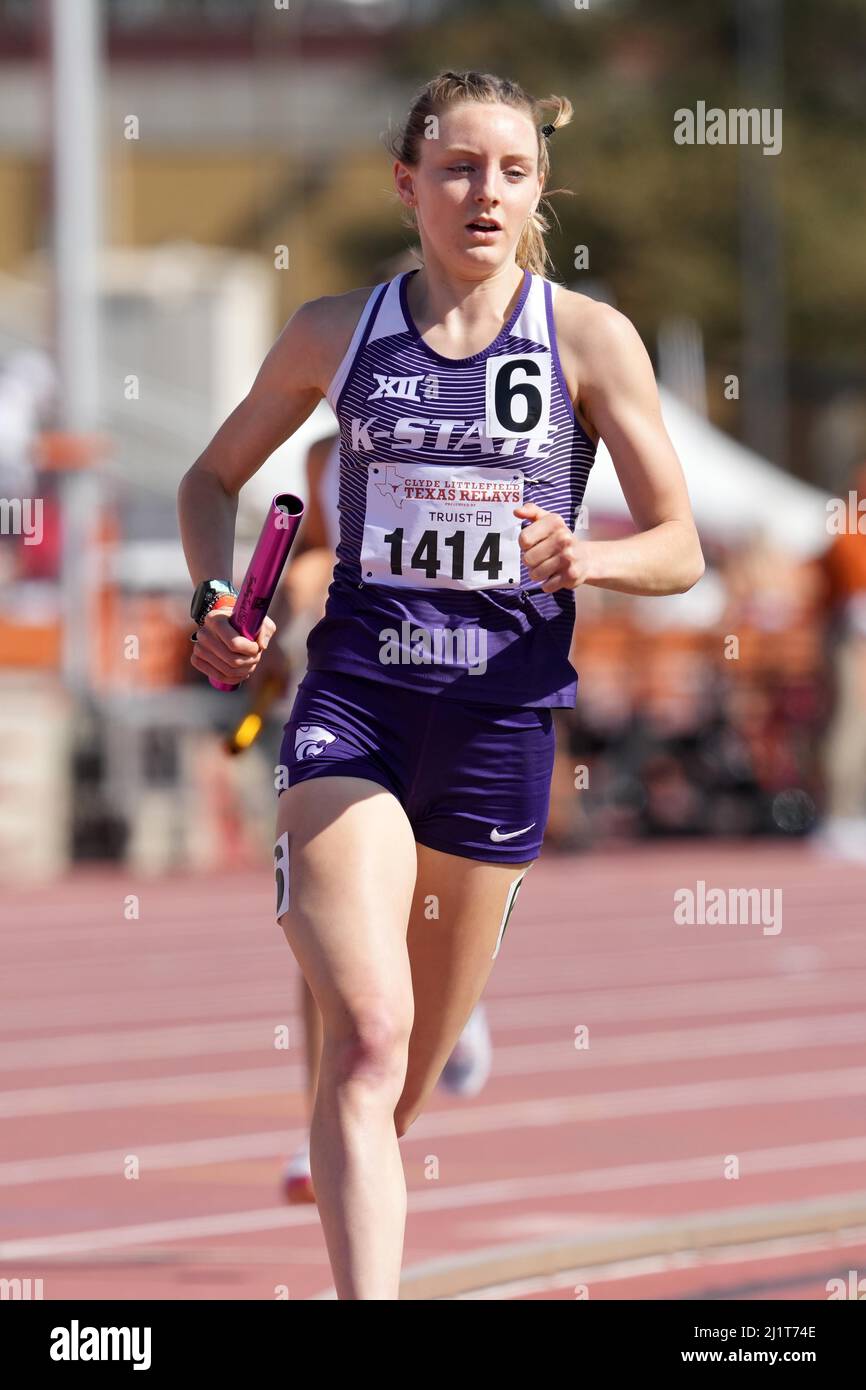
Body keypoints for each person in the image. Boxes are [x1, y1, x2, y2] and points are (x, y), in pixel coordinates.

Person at [177, 69, 704, 1300]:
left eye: (512, 173)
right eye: (458, 168)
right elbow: (211, 480)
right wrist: (218, 602)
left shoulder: (586, 339)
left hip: (499, 720)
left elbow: (680, 545)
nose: (485, 194)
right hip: (356, 704)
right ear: (405, 184)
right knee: (363, 1036)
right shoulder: (332, 331)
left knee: (396, 1084)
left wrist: (594, 556)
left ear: (538, 193)